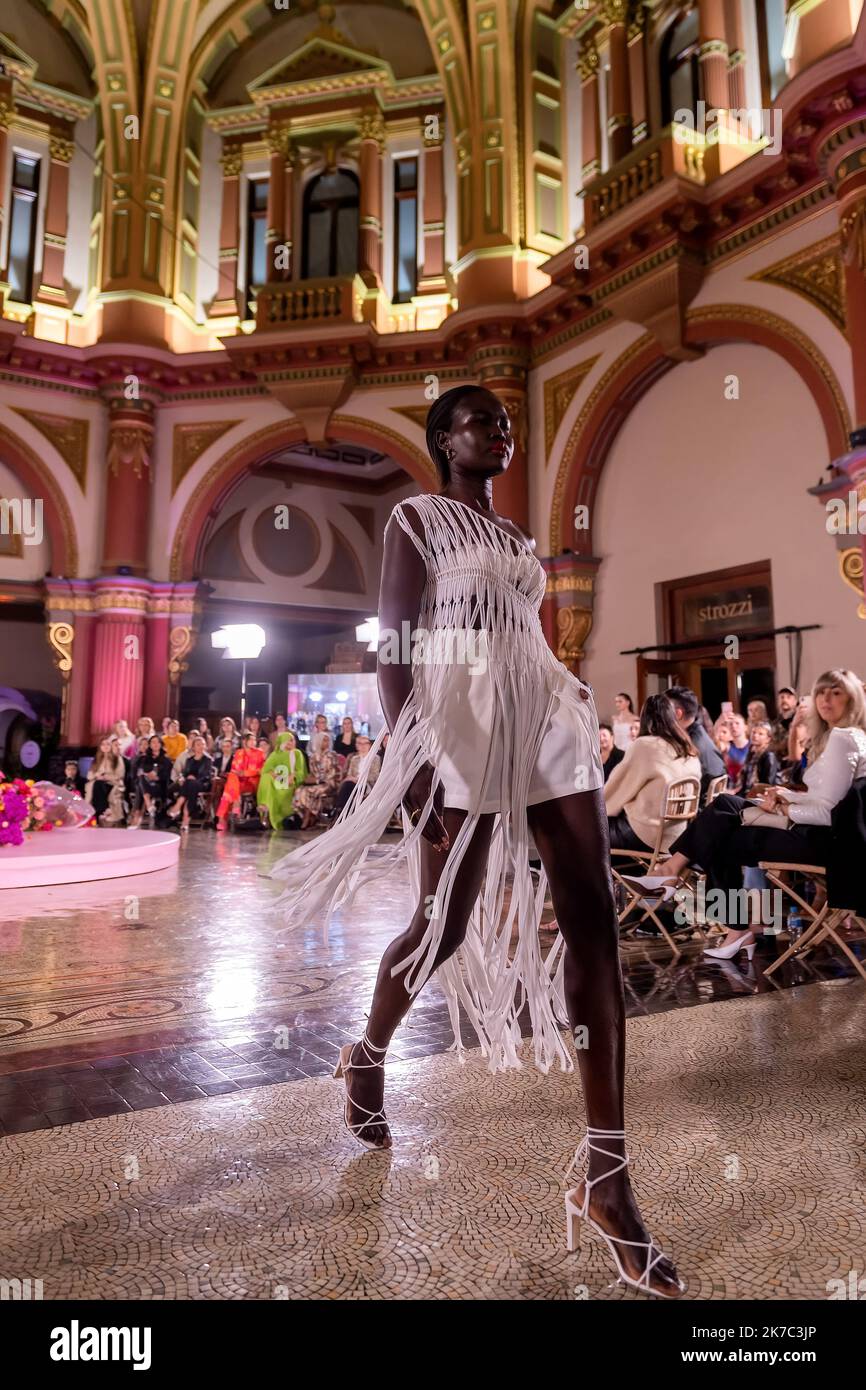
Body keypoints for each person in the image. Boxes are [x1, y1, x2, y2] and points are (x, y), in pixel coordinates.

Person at [269, 383, 684, 1299]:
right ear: (442, 438)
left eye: (504, 421)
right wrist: (409, 748)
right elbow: (398, 642)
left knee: (595, 927)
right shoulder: (417, 518)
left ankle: (607, 1177)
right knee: (440, 926)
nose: (498, 431)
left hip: (541, 711)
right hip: (456, 720)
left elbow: (516, 635)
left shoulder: (519, 544)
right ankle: (368, 1054)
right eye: (478, 421)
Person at [624, 669, 866, 959]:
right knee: (721, 822)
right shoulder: (847, 736)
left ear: (852, 699)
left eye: (836, 692)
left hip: (825, 842)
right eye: (821, 692)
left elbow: (826, 814)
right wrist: (784, 795)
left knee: (722, 824)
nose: (826, 699)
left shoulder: (844, 738)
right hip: (825, 836)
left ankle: (680, 881)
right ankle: (689, 890)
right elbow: (828, 798)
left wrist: (785, 806)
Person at [604, 695, 701, 852]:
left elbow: (616, 787)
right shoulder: (688, 748)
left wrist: (594, 806)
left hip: (648, 835)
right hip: (678, 833)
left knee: (587, 829)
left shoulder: (645, 745)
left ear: (644, 718)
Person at [665, 686, 725, 798]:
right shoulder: (699, 733)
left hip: (697, 808)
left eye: (664, 710)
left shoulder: (690, 744)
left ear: (678, 714)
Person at [292, 732, 343, 829]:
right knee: (299, 790)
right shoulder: (313, 757)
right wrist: (313, 780)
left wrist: (318, 780)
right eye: (324, 740)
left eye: (328, 740)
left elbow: (333, 774)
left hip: (330, 783)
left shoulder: (332, 755)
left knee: (311, 791)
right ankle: (310, 816)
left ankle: (308, 817)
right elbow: (312, 774)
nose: (326, 742)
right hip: (317, 783)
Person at [215, 732, 265, 831]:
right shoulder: (239, 752)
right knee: (232, 777)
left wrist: (245, 773)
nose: (253, 742)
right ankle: (236, 803)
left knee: (230, 787)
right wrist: (239, 773)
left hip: (251, 782)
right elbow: (235, 769)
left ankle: (222, 818)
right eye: (251, 740)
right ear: (244, 741)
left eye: (254, 740)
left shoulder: (259, 753)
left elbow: (261, 770)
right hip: (238, 783)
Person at [257, 731, 308, 829]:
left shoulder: (297, 753)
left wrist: (291, 777)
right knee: (266, 778)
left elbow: (300, 771)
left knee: (275, 786)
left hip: (290, 782)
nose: (291, 743)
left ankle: (268, 813)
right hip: (276, 781)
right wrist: (276, 776)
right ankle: (265, 810)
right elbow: (266, 770)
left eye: (292, 741)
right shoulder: (275, 754)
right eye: (288, 741)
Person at [166, 735, 213, 831]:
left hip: (202, 784)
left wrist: (194, 779)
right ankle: (185, 819)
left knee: (190, 783)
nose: (201, 747)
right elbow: (184, 773)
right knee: (189, 786)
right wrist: (182, 778)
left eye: (203, 744)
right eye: (198, 744)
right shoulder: (189, 760)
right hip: (189, 785)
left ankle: (178, 805)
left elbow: (206, 776)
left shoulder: (208, 760)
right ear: (193, 747)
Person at [129, 734, 172, 826]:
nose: (155, 744)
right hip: (143, 784)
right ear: (150, 745)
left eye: (157, 742)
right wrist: (147, 775)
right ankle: (148, 804)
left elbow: (167, 777)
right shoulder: (142, 759)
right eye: (153, 742)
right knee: (141, 779)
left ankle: (137, 817)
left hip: (158, 787)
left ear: (161, 744)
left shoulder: (166, 760)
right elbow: (135, 774)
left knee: (140, 788)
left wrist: (157, 777)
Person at [334, 733, 381, 814]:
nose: (363, 746)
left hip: (367, 784)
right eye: (360, 743)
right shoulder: (354, 759)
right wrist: (351, 778)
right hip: (353, 784)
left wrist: (358, 779)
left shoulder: (375, 758)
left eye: (365, 743)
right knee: (348, 785)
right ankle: (343, 811)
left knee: (348, 786)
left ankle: (340, 811)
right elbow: (350, 774)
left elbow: (375, 776)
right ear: (357, 746)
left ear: (369, 745)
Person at [85, 737, 126, 825]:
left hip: (112, 783)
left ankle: (100, 811)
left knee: (99, 784)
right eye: (103, 744)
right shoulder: (96, 760)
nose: (105, 746)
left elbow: (120, 774)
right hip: (98, 782)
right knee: (98, 784)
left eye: (108, 744)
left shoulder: (117, 758)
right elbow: (89, 776)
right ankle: (104, 809)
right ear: (100, 747)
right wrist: (97, 775)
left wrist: (106, 777)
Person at [741, 721, 779, 797]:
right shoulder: (751, 753)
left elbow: (767, 785)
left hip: (758, 797)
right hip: (746, 793)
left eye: (760, 734)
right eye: (753, 732)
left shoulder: (769, 756)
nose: (755, 736)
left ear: (768, 739)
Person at [722, 712, 750, 793]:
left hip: (746, 790)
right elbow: (713, 742)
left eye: (737, 723)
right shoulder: (726, 746)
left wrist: (735, 791)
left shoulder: (752, 747)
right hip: (728, 788)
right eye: (731, 724)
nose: (734, 726)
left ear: (745, 727)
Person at [770, 687, 798, 760]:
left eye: (788, 697)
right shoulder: (774, 723)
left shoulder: (799, 721)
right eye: (782, 697)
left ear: (795, 701)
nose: (784, 700)